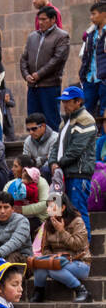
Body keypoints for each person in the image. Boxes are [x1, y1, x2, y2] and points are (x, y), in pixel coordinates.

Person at [27, 193, 92, 303]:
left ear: (63, 207)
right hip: (57, 260)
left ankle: (82, 291)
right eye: (48, 206)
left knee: (53, 268)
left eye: (53, 206)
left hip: (78, 262)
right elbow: (46, 248)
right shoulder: (48, 223)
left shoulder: (77, 221)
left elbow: (78, 244)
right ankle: (39, 292)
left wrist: (62, 231)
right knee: (40, 264)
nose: (49, 210)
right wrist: (51, 257)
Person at [19, 7, 70, 131]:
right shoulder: (32, 36)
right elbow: (23, 59)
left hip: (50, 85)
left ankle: (54, 148)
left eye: (44, 19)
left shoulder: (61, 36)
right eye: (39, 19)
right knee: (33, 121)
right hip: (33, 87)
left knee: (51, 120)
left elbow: (57, 60)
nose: (40, 22)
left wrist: (39, 74)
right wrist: (26, 75)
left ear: (53, 19)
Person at [52, 87, 97, 217]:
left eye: (68, 101)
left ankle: (85, 238)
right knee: (55, 211)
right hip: (61, 173)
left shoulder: (86, 119)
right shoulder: (65, 122)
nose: (64, 105)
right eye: (63, 102)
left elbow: (76, 149)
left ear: (78, 102)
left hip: (78, 173)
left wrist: (58, 164)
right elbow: (56, 146)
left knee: (78, 212)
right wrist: (52, 163)